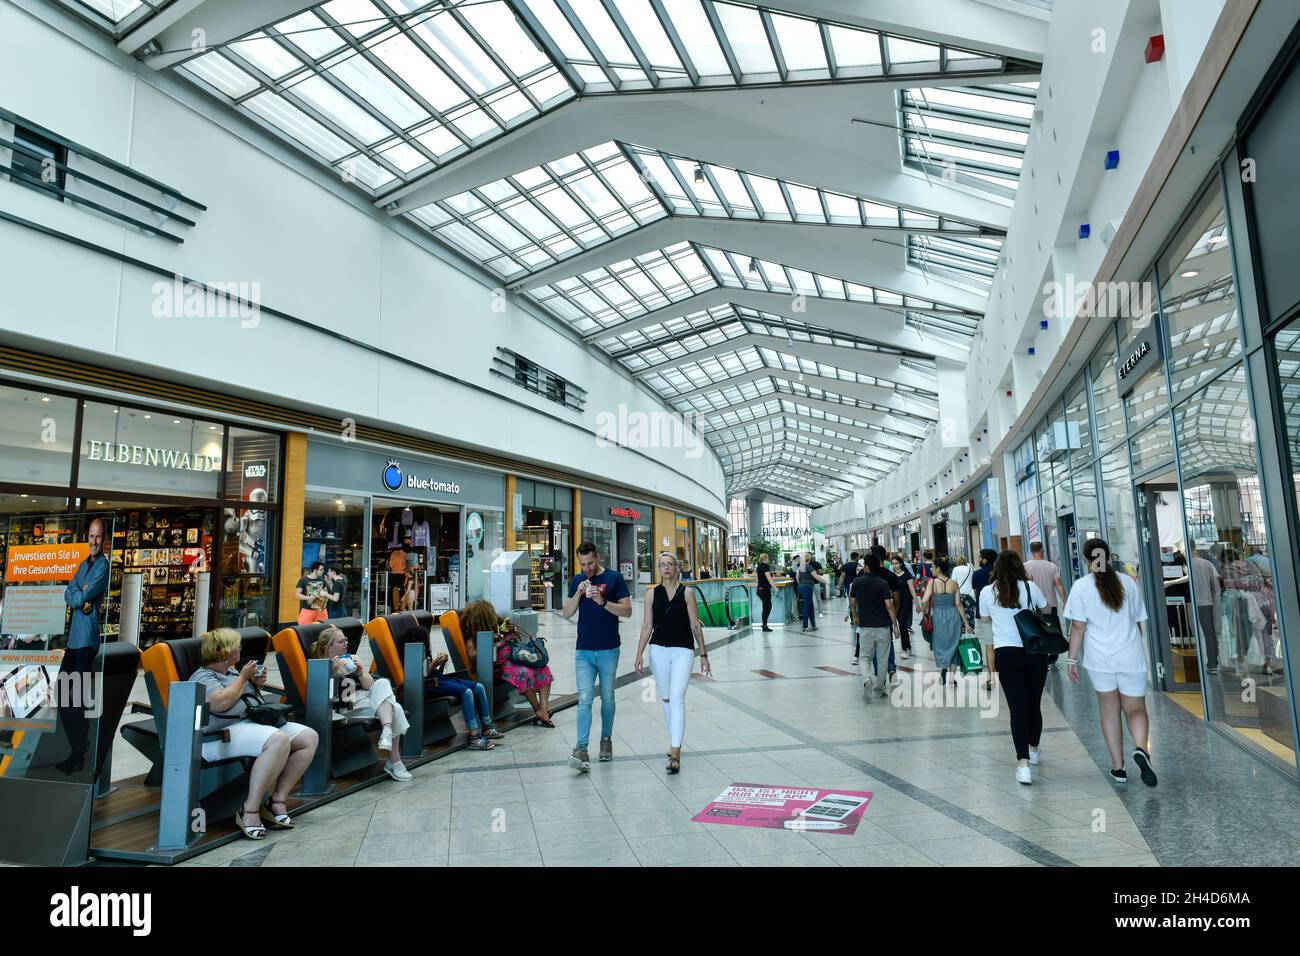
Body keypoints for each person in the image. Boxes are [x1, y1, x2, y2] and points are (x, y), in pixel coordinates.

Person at [191, 628, 319, 839]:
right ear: (224, 651)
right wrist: (243, 678)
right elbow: (221, 703)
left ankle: (276, 800)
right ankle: (249, 810)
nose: (240, 650)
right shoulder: (203, 677)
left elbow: (247, 700)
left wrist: (255, 683)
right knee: (278, 740)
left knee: (308, 737)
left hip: (250, 724)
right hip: (220, 735)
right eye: (237, 646)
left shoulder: (231, 672)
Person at [1064, 538, 1157, 788]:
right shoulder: (1127, 582)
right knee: (1136, 709)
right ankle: (1141, 748)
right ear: (1108, 555)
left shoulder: (1081, 587)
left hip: (1100, 659)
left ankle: (1119, 767)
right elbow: (1138, 621)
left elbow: (1078, 627)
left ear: (1086, 559)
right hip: (1131, 656)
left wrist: (1071, 659)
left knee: (1109, 710)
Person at [635, 553, 712, 773]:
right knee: (666, 698)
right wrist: (639, 653)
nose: (666, 567)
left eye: (670, 564)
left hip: (683, 651)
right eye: (662, 565)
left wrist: (704, 654)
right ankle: (673, 739)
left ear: (677, 568)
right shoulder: (651, 595)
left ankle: (676, 751)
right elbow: (647, 625)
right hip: (658, 650)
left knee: (677, 697)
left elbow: (695, 625)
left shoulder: (687, 593)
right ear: (658, 569)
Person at [978, 551, 1049, 785]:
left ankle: (1023, 765)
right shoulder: (1029, 587)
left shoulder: (988, 592)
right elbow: (1045, 608)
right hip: (1033, 652)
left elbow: (985, 618)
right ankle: (1035, 748)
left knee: (1017, 709)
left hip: (1006, 653)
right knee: (1033, 704)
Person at [562, 541, 632, 772]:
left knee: (608, 697)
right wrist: (579, 594)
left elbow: (627, 611)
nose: (587, 569)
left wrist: (601, 602)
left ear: (598, 557)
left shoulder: (614, 579)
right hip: (583, 651)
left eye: (590, 563)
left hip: (609, 649)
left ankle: (606, 739)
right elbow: (566, 613)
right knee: (584, 699)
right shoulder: (577, 580)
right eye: (583, 564)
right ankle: (581, 748)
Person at [309, 625, 413, 779]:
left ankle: (387, 731)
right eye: (340, 642)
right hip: (344, 708)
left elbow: (370, 686)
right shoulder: (320, 664)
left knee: (382, 683)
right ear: (328, 648)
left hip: (364, 699)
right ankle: (394, 760)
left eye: (345, 640)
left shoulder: (354, 658)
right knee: (395, 708)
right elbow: (322, 695)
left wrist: (360, 672)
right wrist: (332, 673)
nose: (345, 643)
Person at [57, 517, 109, 773]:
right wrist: (78, 594)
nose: (94, 540)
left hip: (87, 641)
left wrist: (79, 594)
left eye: (98, 536)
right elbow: (70, 593)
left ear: (104, 539)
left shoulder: (103, 566)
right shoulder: (82, 564)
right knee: (59, 694)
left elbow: (83, 595)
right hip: (72, 642)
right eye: (91, 536)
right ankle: (79, 745)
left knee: (76, 699)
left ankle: (77, 754)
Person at [407, 623, 505, 752]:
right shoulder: (412, 652)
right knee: (467, 692)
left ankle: (487, 727)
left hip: (439, 680)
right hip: (429, 685)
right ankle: (473, 736)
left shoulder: (425, 651)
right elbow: (419, 676)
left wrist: (441, 663)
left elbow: (431, 670)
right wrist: (435, 663)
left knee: (479, 687)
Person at [460, 600, 554, 728]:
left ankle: (544, 709)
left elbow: (517, 640)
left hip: (514, 661)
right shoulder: (473, 637)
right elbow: (472, 657)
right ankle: (537, 709)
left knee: (543, 669)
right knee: (524, 673)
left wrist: (511, 631)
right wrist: (490, 642)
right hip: (498, 668)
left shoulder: (500, 623)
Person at [850, 554, 897, 701]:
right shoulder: (883, 583)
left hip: (865, 627)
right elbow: (889, 605)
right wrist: (895, 624)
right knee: (882, 660)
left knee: (865, 657)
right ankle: (879, 689)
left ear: (867, 567)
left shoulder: (857, 582)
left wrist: (855, 616)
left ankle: (866, 680)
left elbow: (852, 602)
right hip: (883, 627)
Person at [921, 557, 971, 687]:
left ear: (938, 568)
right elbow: (958, 604)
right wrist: (966, 623)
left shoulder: (932, 582)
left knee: (939, 643)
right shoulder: (954, 583)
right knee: (954, 645)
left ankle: (943, 667)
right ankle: (951, 679)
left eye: (932, 567)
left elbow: (924, 599)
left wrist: (924, 610)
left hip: (938, 616)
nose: (931, 569)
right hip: (953, 616)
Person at [1024, 542, 1067, 668]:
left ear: (1031, 551)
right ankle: (1053, 656)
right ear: (1042, 550)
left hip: (1034, 605)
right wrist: (1065, 601)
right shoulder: (1052, 566)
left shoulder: (1026, 566)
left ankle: (1041, 655)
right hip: (1051, 604)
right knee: (1052, 630)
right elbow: (1058, 585)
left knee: (1037, 630)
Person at [1190, 547, 1221, 673]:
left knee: (1193, 634)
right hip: (1206, 603)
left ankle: (1194, 664)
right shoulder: (1206, 564)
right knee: (1209, 634)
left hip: (1190, 603)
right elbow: (1216, 583)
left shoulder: (1187, 564)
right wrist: (1215, 598)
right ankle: (1213, 663)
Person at [971, 548, 999, 690]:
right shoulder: (999, 573)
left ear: (985, 559)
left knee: (989, 645)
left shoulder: (977, 574)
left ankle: (991, 678)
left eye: (980, 557)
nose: (978, 559)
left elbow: (975, 590)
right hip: (1001, 613)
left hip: (984, 614)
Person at [889, 554, 915, 660]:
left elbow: (912, 590)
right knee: (901, 624)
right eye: (893, 564)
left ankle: (905, 648)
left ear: (900, 563)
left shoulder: (907, 575)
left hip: (907, 602)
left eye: (896, 563)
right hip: (897, 603)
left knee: (903, 623)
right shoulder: (892, 576)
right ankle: (907, 646)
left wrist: (917, 604)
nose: (895, 565)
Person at [796, 550, 824, 632]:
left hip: (801, 586)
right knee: (807, 607)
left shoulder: (800, 566)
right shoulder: (809, 566)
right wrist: (825, 582)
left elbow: (797, 579)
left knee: (810, 606)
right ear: (810, 558)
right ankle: (805, 626)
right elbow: (817, 577)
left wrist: (801, 583)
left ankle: (813, 625)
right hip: (807, 587)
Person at [295, 562, 328, 626]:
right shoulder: (303, 580)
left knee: (322, 630)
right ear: (315, 570)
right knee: (305, 630)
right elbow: (297, 595)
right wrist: (308, 597)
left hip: (321, 609)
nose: (323, 571)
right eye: (321, 569)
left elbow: (326, 593)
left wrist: (324, 596)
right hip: (308, 610)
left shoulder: (322, 579)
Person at [755, 552, 775, 632]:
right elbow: (769, 579)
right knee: (768, 606)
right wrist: (775, 587)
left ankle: (764, 624)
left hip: (760, 590)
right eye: (767, 558)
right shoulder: (766, 567)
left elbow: (757, 578)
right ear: (765, 559)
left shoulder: (758, 567)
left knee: (765, 606)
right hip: (765, 590)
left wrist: (758, 586)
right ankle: (764, 625)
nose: (768, 560)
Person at [388, 537, 410, 612]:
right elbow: (406, 565)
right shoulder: (404, 554)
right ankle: (400, 607)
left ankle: (394, 608)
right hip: (401, 574)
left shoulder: (393, 554)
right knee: (401, 591)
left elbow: (391, 565)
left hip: (394, 574)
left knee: (393, 591)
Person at [840, 552, 859, 623]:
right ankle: (856, 617)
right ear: (857, 557)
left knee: (851, 603)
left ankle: (852, 619)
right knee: (857, 603)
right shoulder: (858, 565)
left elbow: (842, 576)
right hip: (858, 586)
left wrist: (839, 584)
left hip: (849, 587)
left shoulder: (845, 565)